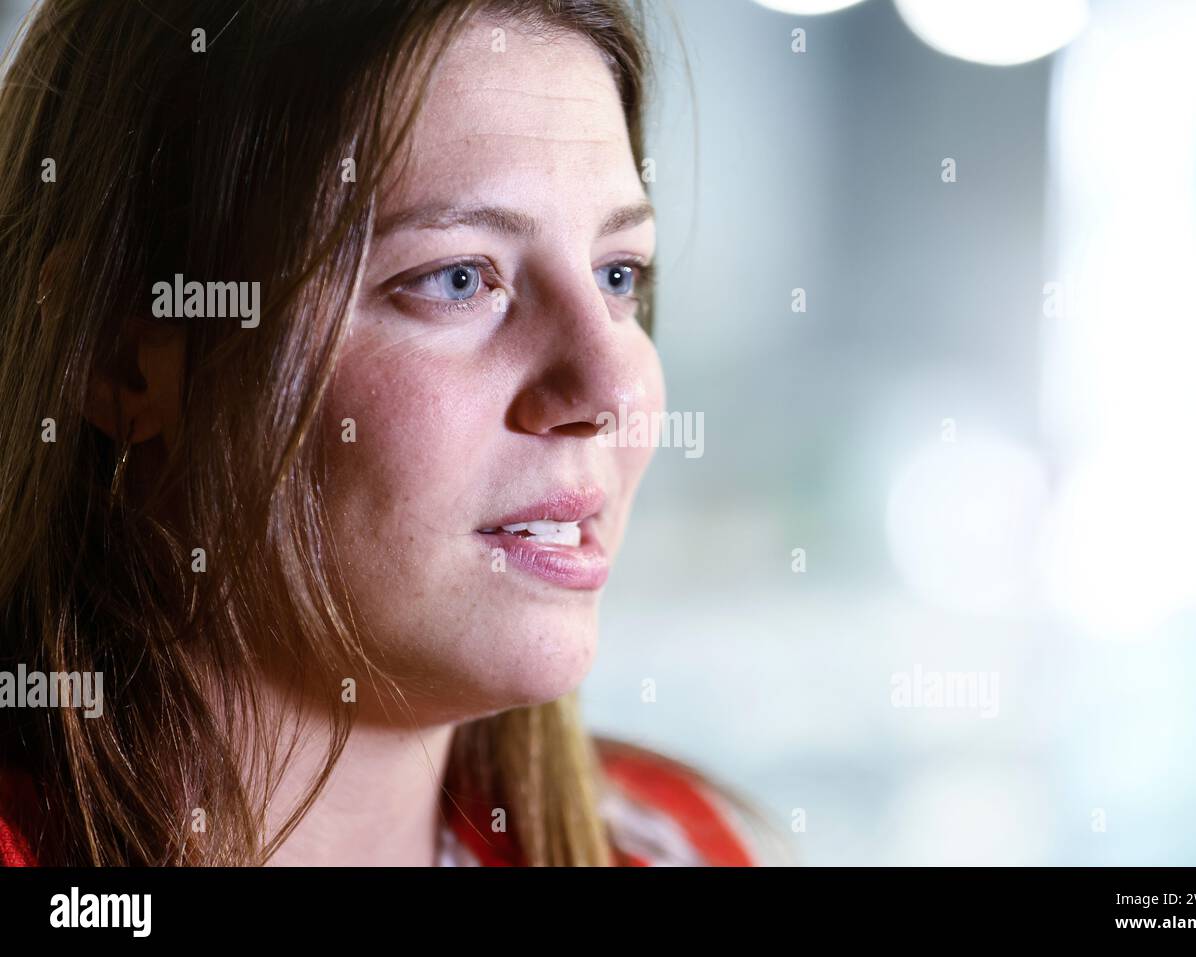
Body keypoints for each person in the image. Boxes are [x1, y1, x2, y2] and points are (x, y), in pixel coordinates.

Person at [0, 0, 781, 867]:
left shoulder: (681, 845)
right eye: (455, 278)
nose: (608, 389)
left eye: (617, 273)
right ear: (125, 358)